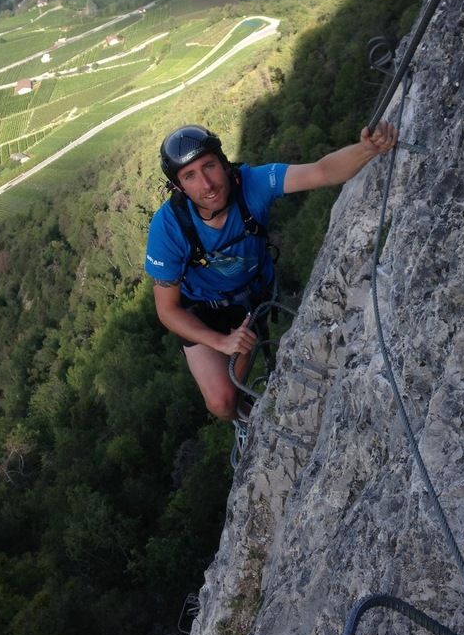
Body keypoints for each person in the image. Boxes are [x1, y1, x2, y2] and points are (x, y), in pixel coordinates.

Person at [144, 121, 397, 421]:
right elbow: (168, 310)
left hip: (250, 301)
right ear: (178, 187)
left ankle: (250, 412)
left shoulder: (253, 184)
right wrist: (221, 342)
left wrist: (368, 149)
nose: (207, 184)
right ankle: (247, 422)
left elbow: (321, 171)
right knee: (221, 405)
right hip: (201, 309)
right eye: (190, 176)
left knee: (231, 390)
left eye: (209, 166)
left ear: (223, 163)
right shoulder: (168, 228)